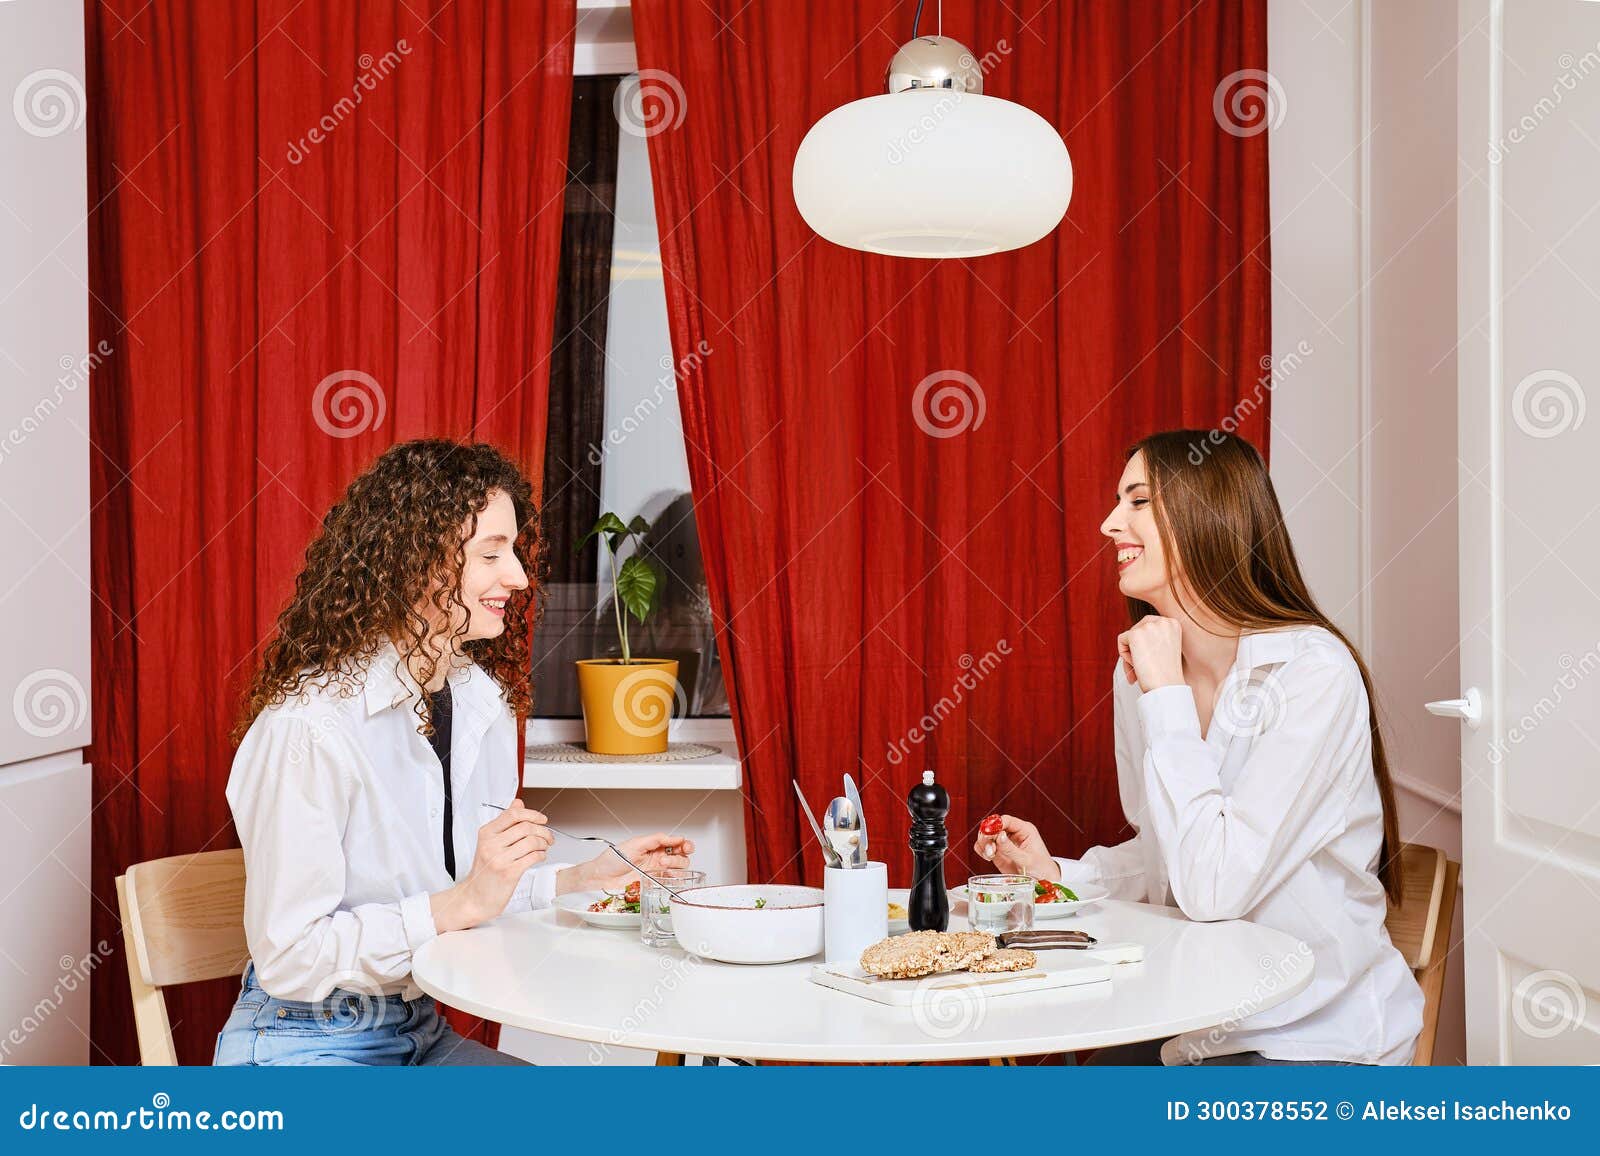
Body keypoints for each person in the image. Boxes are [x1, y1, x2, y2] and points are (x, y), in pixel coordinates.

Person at [214, 439, 694, 1066]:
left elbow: (470, 893)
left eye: (514, 552)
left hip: (421, 1032)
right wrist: (463, 903)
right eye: (490, 554)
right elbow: (290, 957)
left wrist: (584, 880)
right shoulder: (309, 728)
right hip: (304, 1042)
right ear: (413, 564)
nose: (518, 577)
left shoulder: (478, 703)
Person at [975, 430, 1423, 1065]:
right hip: (1190, 1023)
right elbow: (1169, 856)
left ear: (1205, 512)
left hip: (1311, 1038)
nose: (1108, 524)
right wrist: (1057, 879)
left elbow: (1213, 889)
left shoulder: (1310, 673)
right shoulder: (1138, 678)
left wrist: (1166, 696)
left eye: (1136, 500)